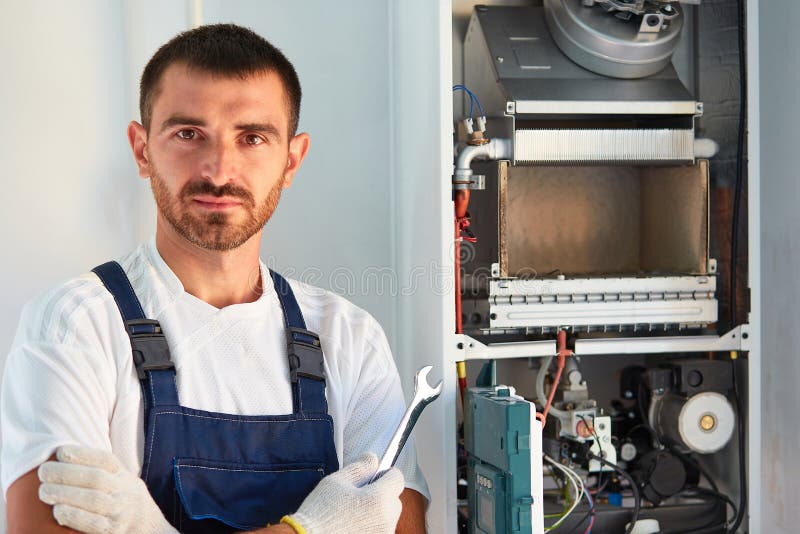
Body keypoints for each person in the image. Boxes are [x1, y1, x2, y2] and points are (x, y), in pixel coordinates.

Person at [1, 24, 428, 533]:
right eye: (188, 134)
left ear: (292, 159)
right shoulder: (75, 326)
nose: (219, 169)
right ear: (141, 149)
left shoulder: (349, 337)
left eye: (252, 138)